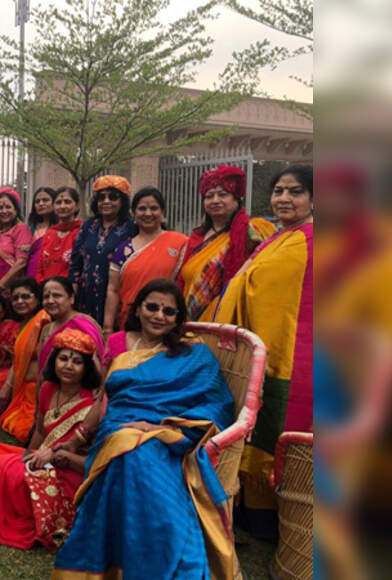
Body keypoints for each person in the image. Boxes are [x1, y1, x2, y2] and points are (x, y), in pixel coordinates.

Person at [52, 279, 235, 579]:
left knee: (137, 456)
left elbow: (216, 401)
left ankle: (160, 551)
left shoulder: (193, 352)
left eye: (169, 311)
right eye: (152, 307)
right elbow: (104, 398)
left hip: (167, 432)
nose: (159, 316)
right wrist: (76, 440)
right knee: (128, 448)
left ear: (178, 318)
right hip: (119, 423)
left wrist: (160, 426)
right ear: (138, 308)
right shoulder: (119, 342)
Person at [212, 165, 314, 537]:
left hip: (293, 356)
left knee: (279, 429)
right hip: (259, 349)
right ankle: (252, 512)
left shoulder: (314, 241)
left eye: (296, 191)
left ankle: (274, 518)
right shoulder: (276, 238)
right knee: (255, 424)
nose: (284, 198)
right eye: (279, 191)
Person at [0, 327, 99, 551]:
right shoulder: (47, 388)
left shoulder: (91, 405)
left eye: (77, 362)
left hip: (68, 472)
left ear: (86, 368)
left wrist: (47, 458)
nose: (68, 366)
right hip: (41, 457)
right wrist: (28, 455)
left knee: (7, 473)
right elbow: (40, 430)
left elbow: (90, 456)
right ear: (54, 361)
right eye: (63, 359)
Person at [177, 165, 276, 320]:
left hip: (232, 318)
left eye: (223, 195)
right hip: (189, 320)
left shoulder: (253, 231)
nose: (215, 201)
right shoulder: (196, 237)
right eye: (209, 196)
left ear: (237, 199)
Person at [103, 187, 188, 331]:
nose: (148, 213)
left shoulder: (180, 243)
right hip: (130, 322)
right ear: (134, 213)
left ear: (162, 212)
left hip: (165, 322)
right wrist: (107, 328)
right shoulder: (123, 250)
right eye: (142, 209)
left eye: (154, 208)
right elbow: (113, 290)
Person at [69, 175, 135, 325]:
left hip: (117, 296)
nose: (106, 201)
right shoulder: (88, 226)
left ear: (122, 201)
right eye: (101, 198)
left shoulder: (132, 228)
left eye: (112, 197)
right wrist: (72, 295)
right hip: (86, 296)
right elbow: (75, 264)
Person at [0, 277, 50, 442]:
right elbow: (17, 360)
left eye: (26, 297)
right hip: (23, 390)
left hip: (37, 391)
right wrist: (6, 387)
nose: (20, 301)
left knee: (23, 431)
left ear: (37, 298)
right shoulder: (22, 324)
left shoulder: (43, 321)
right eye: (15, 298)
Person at [35, 277, 106, 378]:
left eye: (57, 295)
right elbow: (42, 368)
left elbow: (96, 361)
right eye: (46, 297)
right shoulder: (46, 329)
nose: (50, 301)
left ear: (71, 298)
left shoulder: (84, 323)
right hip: (50, 390)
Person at [0, 187, 33, 295]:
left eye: (8, 207)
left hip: (10, 290)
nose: (4, 211)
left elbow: (21, 262)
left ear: (15, 210)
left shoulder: (21, 229)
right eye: (0, 208)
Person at [32, 187, 83, 282]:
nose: (62, 206)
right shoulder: (50, 234)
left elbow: (81, 266)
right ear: (54, 206)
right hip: (46, 289)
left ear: (77, 206)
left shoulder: (82, 231)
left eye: (67, 202)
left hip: (70, 289)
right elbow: (40, 267)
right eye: (58, 202)